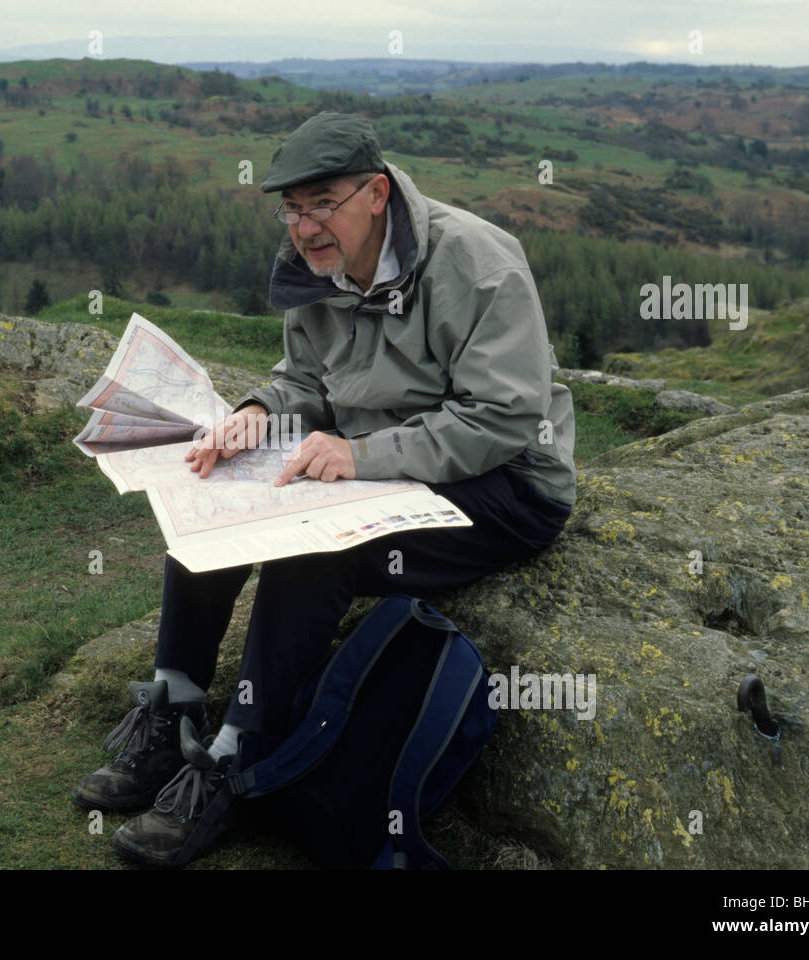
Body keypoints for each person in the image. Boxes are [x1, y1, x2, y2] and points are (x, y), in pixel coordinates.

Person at [73, 111, 577, 868]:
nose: (303, 226)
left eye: (321, 202)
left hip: (503, 487)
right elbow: (304, 379)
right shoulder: (315, 268)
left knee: (314, 554)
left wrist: (362, 454)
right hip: (385, 467)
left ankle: (237, 756)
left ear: (376, 194)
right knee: (208, 498)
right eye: (290, 207)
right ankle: (173, 714)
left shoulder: (479, 263)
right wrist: (256, 414)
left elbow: (505, 420)